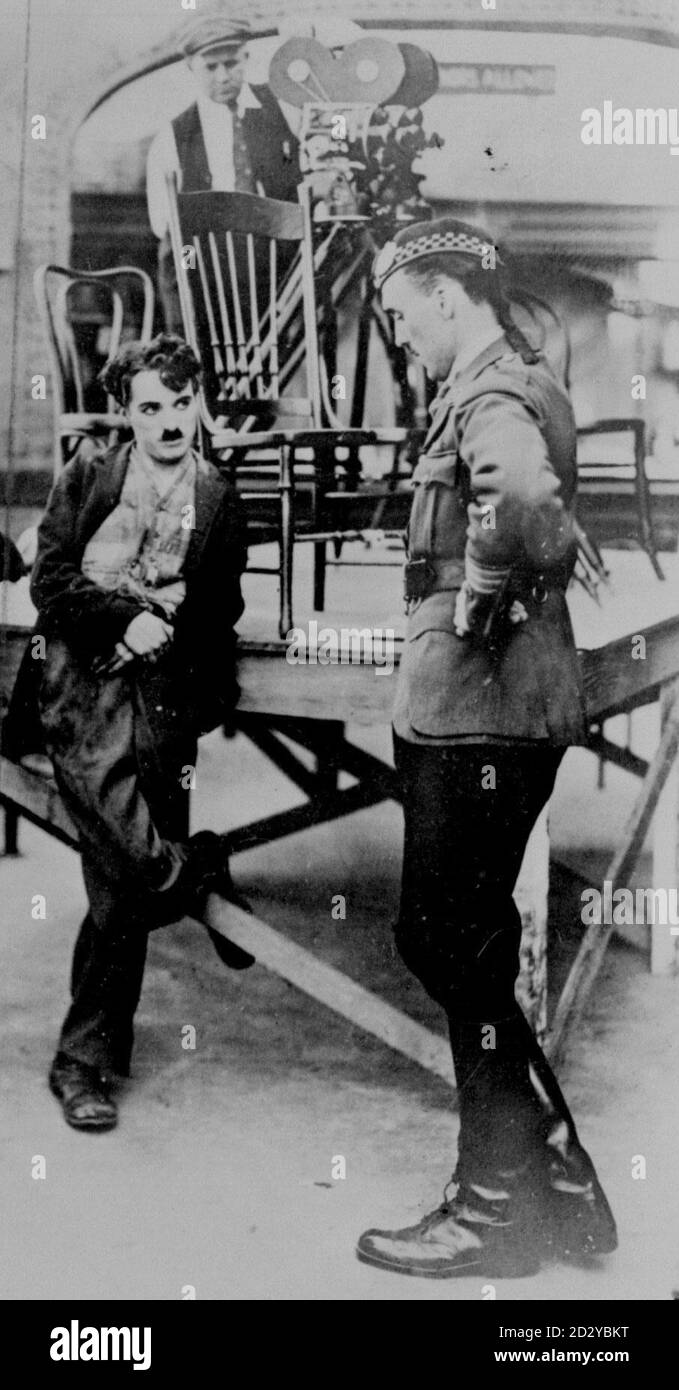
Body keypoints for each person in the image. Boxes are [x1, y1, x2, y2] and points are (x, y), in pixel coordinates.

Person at [356, 219, 617, 1279]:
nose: (396, 331)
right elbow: (536, 505)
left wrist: (487, 584)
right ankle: (556, 1180)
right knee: (456, 937)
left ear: (444, 292)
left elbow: (519, 500)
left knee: (440, 932)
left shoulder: (485, 390)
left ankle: (493, 1211)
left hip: (482, 710)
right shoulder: (516, 376)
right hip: (502, 703)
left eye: (399, 310)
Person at [25, 334, 251, 1133]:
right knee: (128, 846)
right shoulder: (90, 474)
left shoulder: (218, 495)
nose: (168, 422)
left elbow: (223, 609)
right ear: (124, 413)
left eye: (180, 403)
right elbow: (51, 585)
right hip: (82, 687)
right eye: (149, 407)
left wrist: (172, 629)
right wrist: (125, 617)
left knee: (117, 895)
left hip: (161, 698)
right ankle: (196, 867)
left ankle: (82, 1064)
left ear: (198, 403)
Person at [147, 15, 300, 332]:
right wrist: (190, 287)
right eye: (210, 67)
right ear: (191, 66)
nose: (223, 77)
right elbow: (168, 230)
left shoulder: (283, 108)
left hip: (279, 266)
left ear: (246, 56)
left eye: (231, 64)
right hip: (209, 269)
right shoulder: (174, 136)